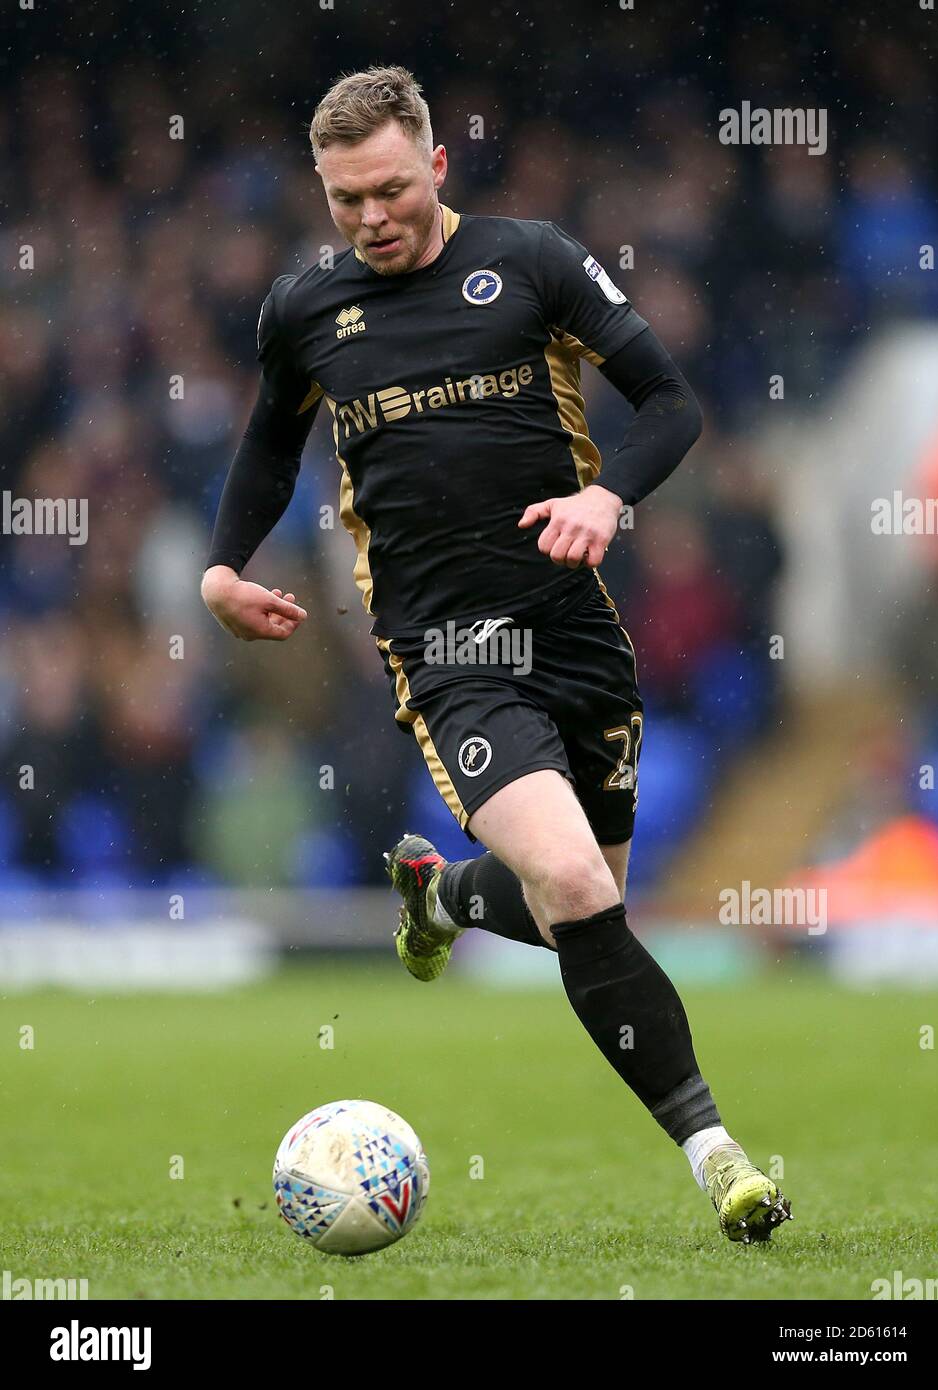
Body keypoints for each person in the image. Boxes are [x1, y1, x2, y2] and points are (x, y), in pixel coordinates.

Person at [202, 65, 792, 1245]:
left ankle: (444, 893)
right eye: (342, 199)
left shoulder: (532, 261)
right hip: (449, 648)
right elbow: (270, 441)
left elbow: (670, 401)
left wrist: (609, 498)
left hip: (578, 636)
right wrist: (223, 567)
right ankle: (720, 1156)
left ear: (436, 166)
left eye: (386, 190)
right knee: (577, 890)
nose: (369, 219)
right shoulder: (306, 308)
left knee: (589, 903)